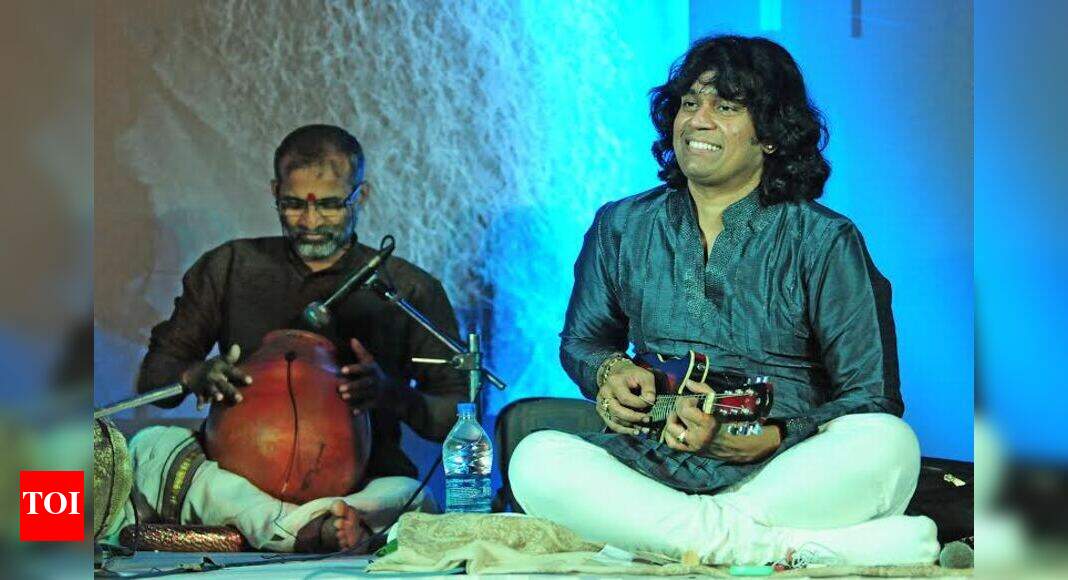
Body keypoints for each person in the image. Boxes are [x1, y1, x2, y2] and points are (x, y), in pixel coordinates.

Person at [509, 35, 941, 567]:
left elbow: (871, 394)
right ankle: (779, 548)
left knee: (886, 443)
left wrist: (771, 436)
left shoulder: (823, 239)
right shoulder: (622, 226)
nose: (698, 120)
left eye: (727, 107)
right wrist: (608, 372)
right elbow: (585, 340)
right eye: (689, 103)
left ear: (773, 136)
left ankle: (666, 542)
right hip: (651, 463)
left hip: (784, 469)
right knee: (535, 459)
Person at [103, 124, 467, 552]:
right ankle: (311, 530)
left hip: (361, 483)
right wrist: (195, 374)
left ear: (361, 195)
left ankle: (295, 528)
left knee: (407, 491)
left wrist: (390, 394)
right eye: (293, 205)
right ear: (275, 191)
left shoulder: (406, 288)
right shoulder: (229, 267)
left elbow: (456, 415)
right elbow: (154, 382)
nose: (311, 223)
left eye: (331, 206)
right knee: (152, 446)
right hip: (234, 483)